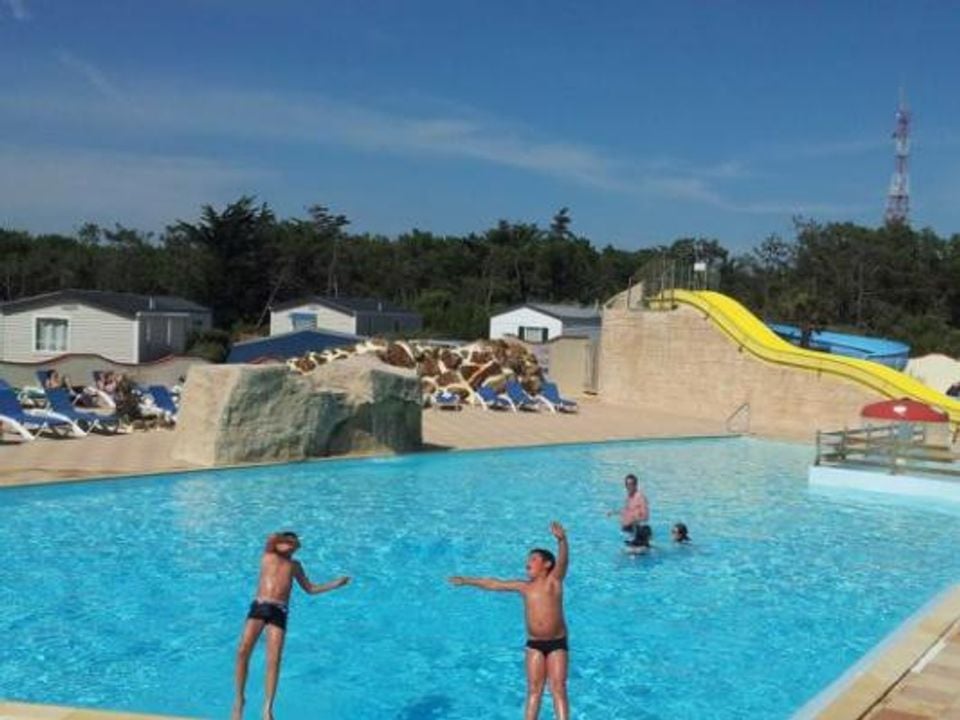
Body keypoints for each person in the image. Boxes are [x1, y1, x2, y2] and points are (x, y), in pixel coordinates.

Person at [450, 522, 570, 720]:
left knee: (558, 688)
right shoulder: (524, 587)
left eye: (533, 559)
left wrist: (562, 541)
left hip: (557, 643)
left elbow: (564, 562)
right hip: (534, 644)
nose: (527, 562)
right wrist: (468, 581)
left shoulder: (554, 581)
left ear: (547, 564)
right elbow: (494, 583)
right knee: (534, 689)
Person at [232, 531, 350, 720]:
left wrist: (335, 584)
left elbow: (310, 589)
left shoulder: (295, 565)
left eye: (294, 546)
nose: (292, 548)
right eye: (288, 544)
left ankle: (267, 709)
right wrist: (287, 538)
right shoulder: (268, 555)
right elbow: (271, 537)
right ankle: (239, 700)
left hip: (279, 610)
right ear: (279, 543)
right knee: (242, 650)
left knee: (274, 658)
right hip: (260, 606)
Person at [617, 473, 650, 548]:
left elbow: (645, 517)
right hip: (628, 531)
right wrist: (615, 512)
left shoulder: (640, 497)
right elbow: (627, 511)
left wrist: (633, 521)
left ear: (636, 485)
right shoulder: (629, 497)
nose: (629, 487)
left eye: (631, 484)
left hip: (636, 531)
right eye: (627, 484)